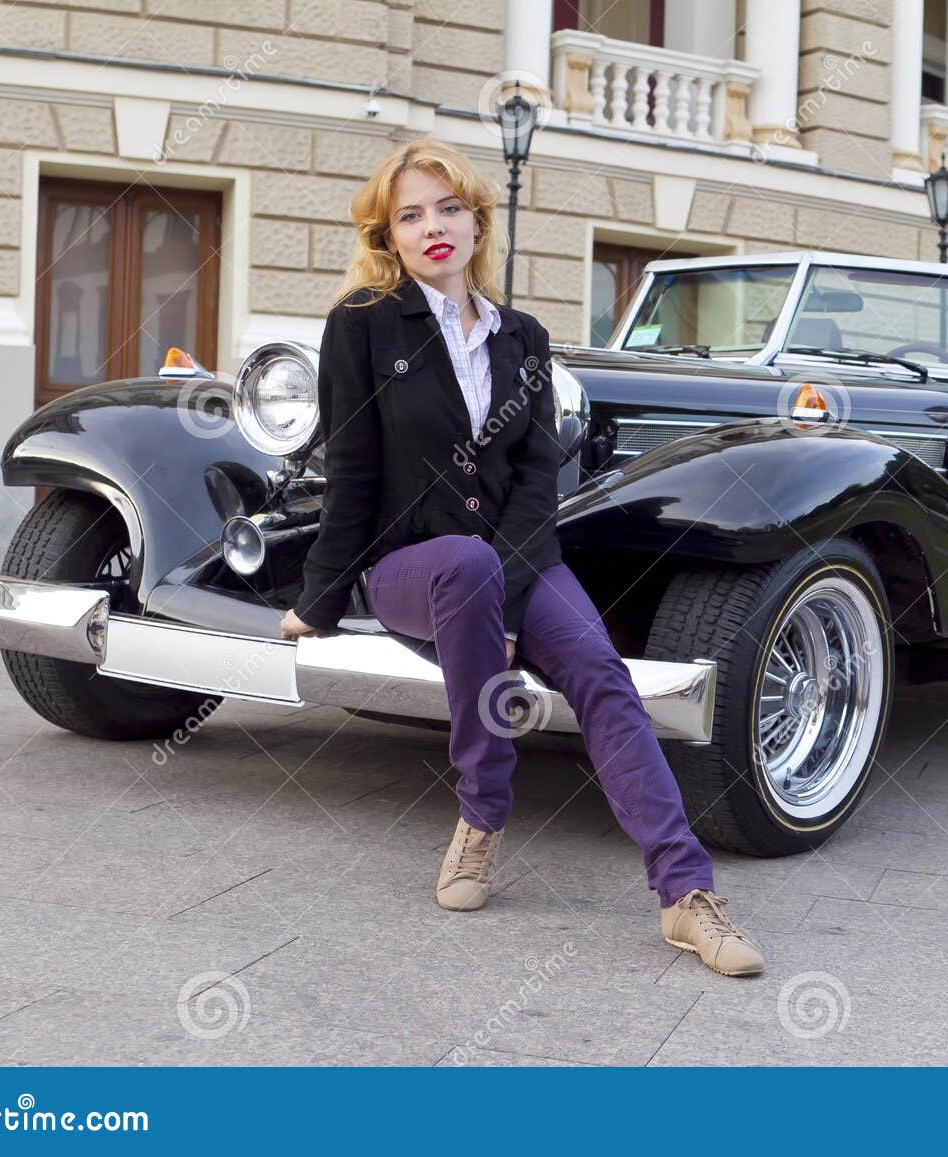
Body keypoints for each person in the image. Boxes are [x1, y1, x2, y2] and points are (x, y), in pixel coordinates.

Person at [277, 139, 764, 977]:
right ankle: (483, 808)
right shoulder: (360, 326)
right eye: (410, 215)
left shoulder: (525, 339)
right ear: (387, 237)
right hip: (409, 565)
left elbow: (538, 481)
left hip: (518, 559)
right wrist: (316, 601)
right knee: (463, 560)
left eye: (449, 208)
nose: (433, 226)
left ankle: (687, 896)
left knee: (600, 672)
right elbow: (351, 472)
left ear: (477, 222)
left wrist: (506, 614)